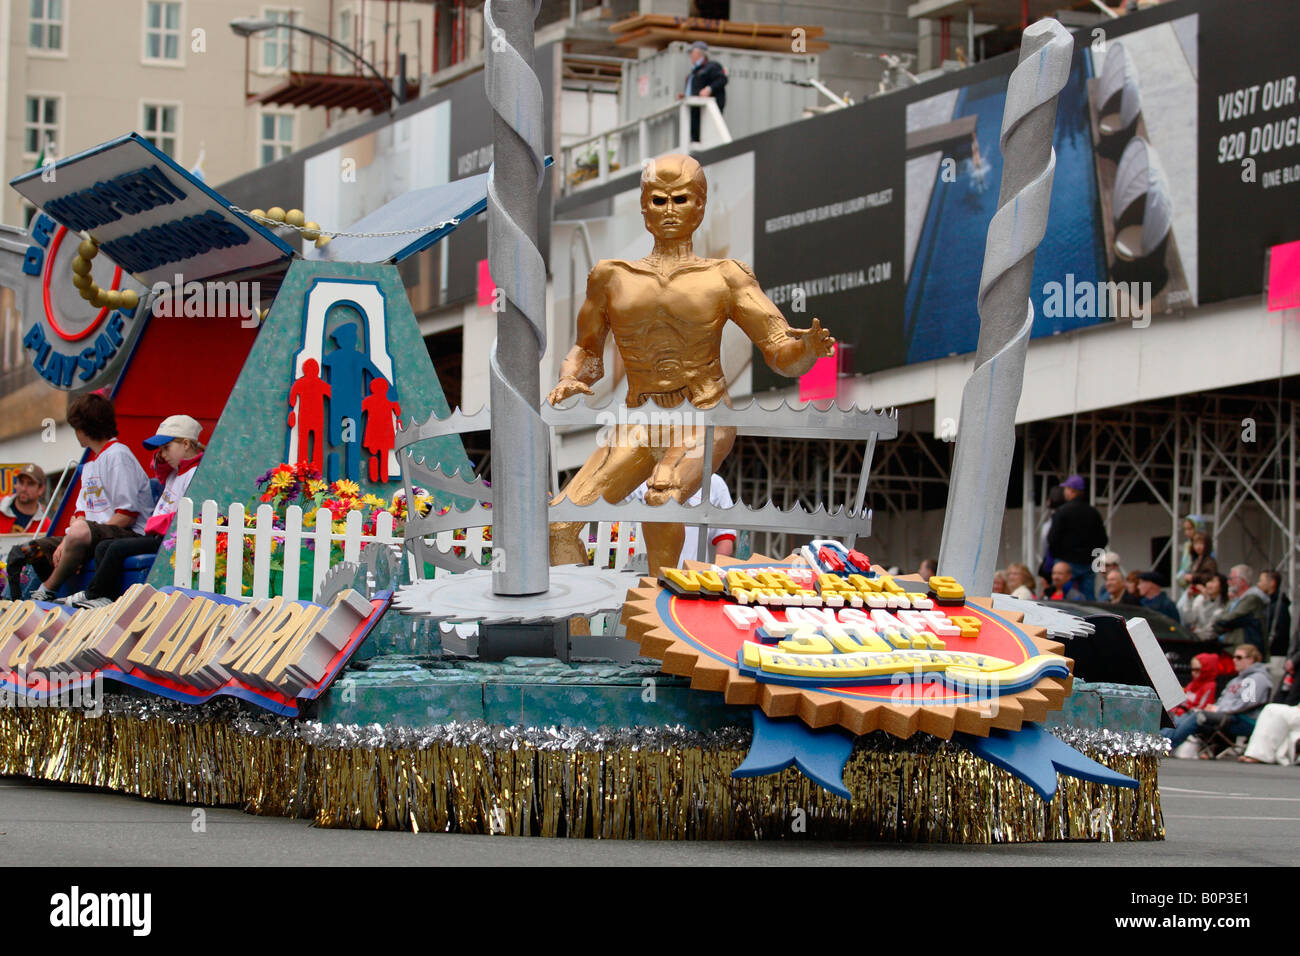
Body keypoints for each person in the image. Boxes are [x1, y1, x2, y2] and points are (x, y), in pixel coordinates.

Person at [546, 155, 834, 577]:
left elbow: (777, 350)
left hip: (704, 414)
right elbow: (588, 352)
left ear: (700, 207)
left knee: (662, 496)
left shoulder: (727, 276)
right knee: (560, 523)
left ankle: (661, 630)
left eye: (681, 199)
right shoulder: (610, 277)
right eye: (658, 200)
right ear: (643, 207)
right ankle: (579, 640)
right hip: (638, 418)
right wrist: (570, 377)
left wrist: (806, 350)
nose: (669, 210)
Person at [10, 394, 153, 603]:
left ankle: (47, 591)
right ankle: (15, 602)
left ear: (85, 427)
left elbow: (127, 515)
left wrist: (78, 537)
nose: (75, 433)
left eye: (76, 427)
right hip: (92, 534)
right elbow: (79, 514)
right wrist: (72, 539)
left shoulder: (118, 455)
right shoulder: (91, 465)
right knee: (28, 550)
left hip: (128, 534)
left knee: (77, 531)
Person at [61, 415, 204, 609]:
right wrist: (163, 457)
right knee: (104, 546)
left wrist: (153, 523)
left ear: (186, 443)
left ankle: (94, 594)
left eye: (166, 448)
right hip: (156, 537)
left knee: (115, 549)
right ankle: (104, 598)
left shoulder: (196, 473)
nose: (162, 454)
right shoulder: (174, 472)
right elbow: (159, 470)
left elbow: (185, 516)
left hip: (167, 541)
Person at [1162, 644, 1271, 750]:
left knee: (1197, 716)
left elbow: (1246, 704)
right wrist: (1215, 707)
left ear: (1251, 659)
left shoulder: (1258, 678)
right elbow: (1223, 700)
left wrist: (1219, 709)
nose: (1234, 660)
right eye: (1234, 657)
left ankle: (1166, 746)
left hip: (1245, 719)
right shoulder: (1236, 680)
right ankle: (1159, 740)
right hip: (1228, 715)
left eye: (1239, 657)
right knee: (1188, 714)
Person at [632, 473, 736, 568]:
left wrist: (715, 574)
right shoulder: (644, 479)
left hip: (693, 578)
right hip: (645, 574)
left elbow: (725, 538)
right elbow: (626, 533)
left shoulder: (713, 482)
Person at [1046, 474, 1108, 600]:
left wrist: (1057, 557)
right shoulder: (1093, 512)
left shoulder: (1062, 511)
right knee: (1089, 600)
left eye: (1066, 489)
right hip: (1087, 564)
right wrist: (1094, 560)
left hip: (1065, 562)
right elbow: (1103, 540)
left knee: (1063, 599)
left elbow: (1052, 539)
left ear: (1071, 491)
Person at [1211, 564, 1269, 654]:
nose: (1228, 582)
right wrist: (1220, 622)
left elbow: (1229, 619)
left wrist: (1221, 622)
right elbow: (1217, 622)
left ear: (1242, 581)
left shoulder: (1252, 599)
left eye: (1231, 579)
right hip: (1229, 649)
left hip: (1245, 653)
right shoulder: (1233, 601)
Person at [679, 41, 727, 145]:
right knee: (695, 137)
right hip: (694, 112)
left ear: (699, 53)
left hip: (704, 113)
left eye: (692, 52)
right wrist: (686, 96)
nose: (690, 55)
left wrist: (709, 89)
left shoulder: (711, 67)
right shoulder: (693, 73)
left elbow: (722, 80)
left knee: (704, 135)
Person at [1177, 572, 1228, 641]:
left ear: (1222, 586)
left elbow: (1210, 625)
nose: (1209, 585)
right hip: (1197, 638)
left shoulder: (1225, 603)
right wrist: (1189, 600)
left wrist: (1206, 599)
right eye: (1208, 581)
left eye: (1213, 582)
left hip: (1214, 640)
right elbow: (1189, 619)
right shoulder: (1200, 599)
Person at [0, 464, 49, 534]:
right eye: (21, 482)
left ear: (41, 489)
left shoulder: (45, 526)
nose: (23, 488)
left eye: (30, 484)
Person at [1171, 653, 1221, 718]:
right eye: (1192, 669)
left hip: (1190, 717)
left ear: (1206, 670)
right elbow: (1180, 701)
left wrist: (1180, 712)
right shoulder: (1192, 684)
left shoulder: (1210, 686)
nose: (1193, 672)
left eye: (1197, 670)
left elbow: (1201, 709)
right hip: (1179, 714)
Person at [1258, 569, 1291, 658]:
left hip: (1275, 655)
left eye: (1261, 581)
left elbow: (1280, 633)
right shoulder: (1267, 604)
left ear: (1272, 583)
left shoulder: (1279, 606)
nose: (1259, 584)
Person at [1176, 514, 1209, 586]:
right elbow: (1185, 565)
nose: (1187, 532)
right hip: (1188, 584)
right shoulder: (1187, 545)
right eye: (1185, 529)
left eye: (1190, 529)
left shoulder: (1206, 545)